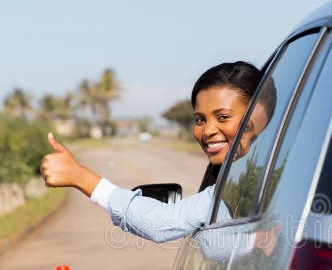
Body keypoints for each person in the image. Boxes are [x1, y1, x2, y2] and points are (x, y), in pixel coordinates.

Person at [41, 61, 273, 243]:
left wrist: (79, 176)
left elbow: (163, 222)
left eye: (223, 117)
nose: (208, 130)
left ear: (259, 117)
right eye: (200, 119)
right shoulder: (240, 176)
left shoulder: (245, 184)